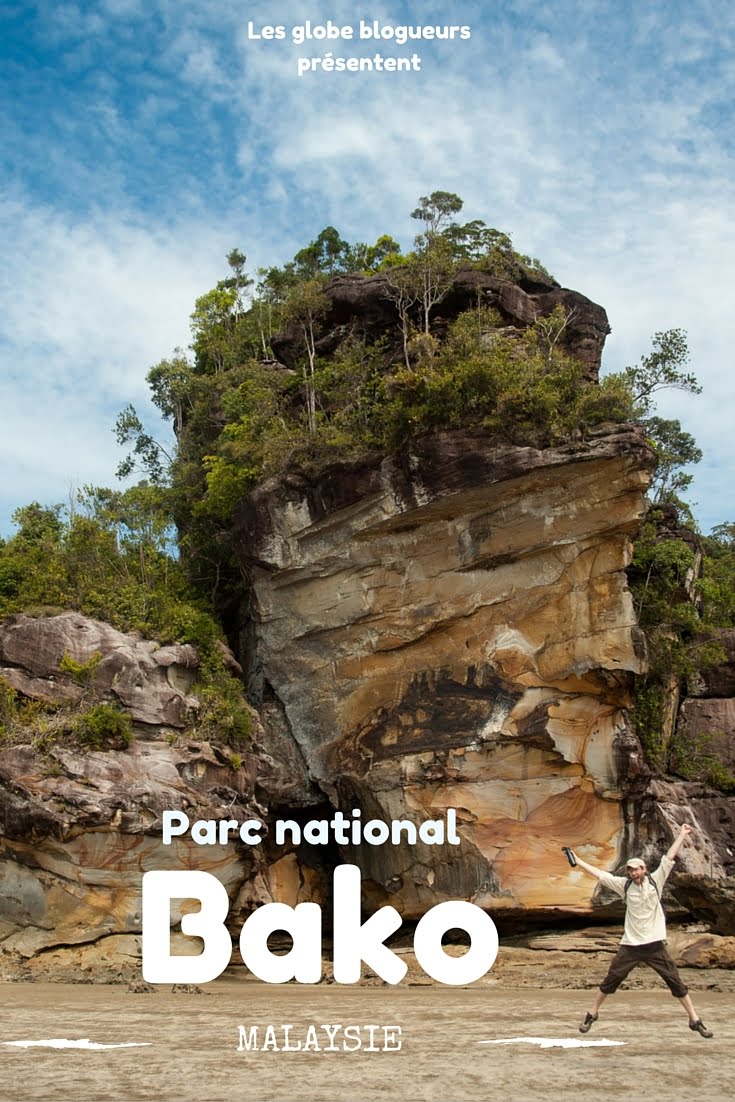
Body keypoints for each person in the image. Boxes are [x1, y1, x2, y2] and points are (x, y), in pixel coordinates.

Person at [570, 823, 714, 1038]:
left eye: (637, 869)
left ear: (644, 870)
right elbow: (600, 875)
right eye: (630, 869)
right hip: (630, 946)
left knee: (675, 982)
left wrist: (682, 834)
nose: (633, 872)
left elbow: (670, 856)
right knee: (611, 980)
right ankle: (592, 1014)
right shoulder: (623, 886)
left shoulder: (656, 881)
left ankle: (695, 1019)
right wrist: (578, 861)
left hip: (655, 945)